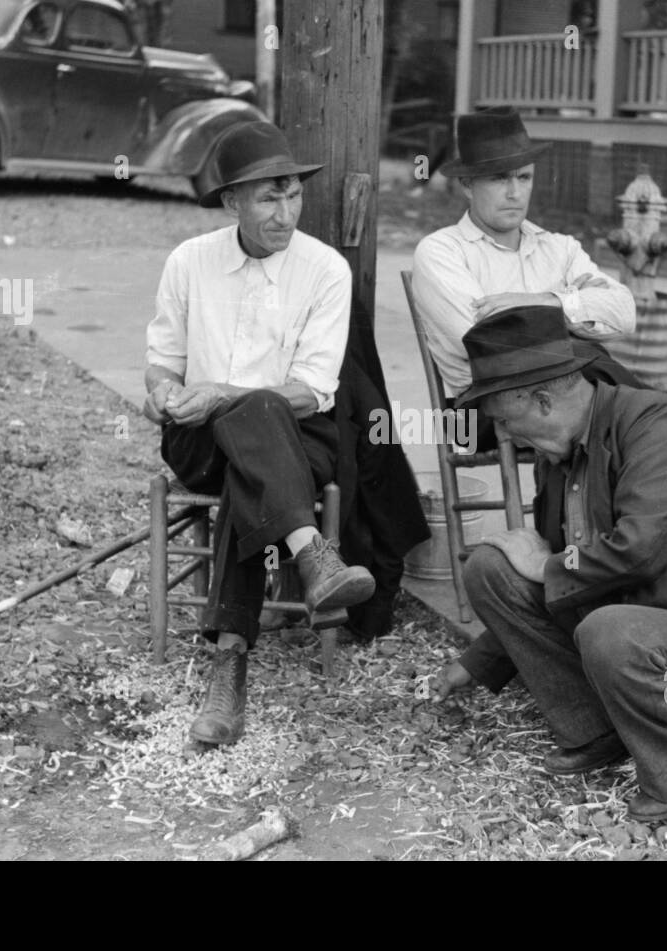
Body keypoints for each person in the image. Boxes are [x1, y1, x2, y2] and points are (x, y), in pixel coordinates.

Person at [433, 305, 667, 820]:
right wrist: (476, 663)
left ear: (542, 400)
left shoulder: (654, 423)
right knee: (492, 569)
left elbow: (639, 549)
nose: (505, 434)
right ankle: (598, 729)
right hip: (630, 628)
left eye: (503, 419)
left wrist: (544, 564)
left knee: (607, 629)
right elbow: (558, 575)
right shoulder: (557, 454)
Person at [411, 106, 667, 502]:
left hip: (575, 393)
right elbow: (489, 345)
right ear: (467, 184)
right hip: (481, 409)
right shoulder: (442, 252)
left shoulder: (558, 249)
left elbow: (623, 313)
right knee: (621, 403)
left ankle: (620, 535)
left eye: (524, 177)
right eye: (498, 179)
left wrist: (542, 302)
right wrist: (573, 317)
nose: (515, 192)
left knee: (617, 408)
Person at [144, 120, 375, 747]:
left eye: (294, 194)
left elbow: (312, 390)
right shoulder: (190, 262)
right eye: (269, 197)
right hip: (199, 444)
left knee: (259, 417)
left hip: (299, 437)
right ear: (232, 202)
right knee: (245, 429)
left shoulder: (325, 270)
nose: (286, 211)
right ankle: (311, 554)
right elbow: (161, 361)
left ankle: (230, 664)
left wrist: (225, 392)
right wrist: (166, 395)